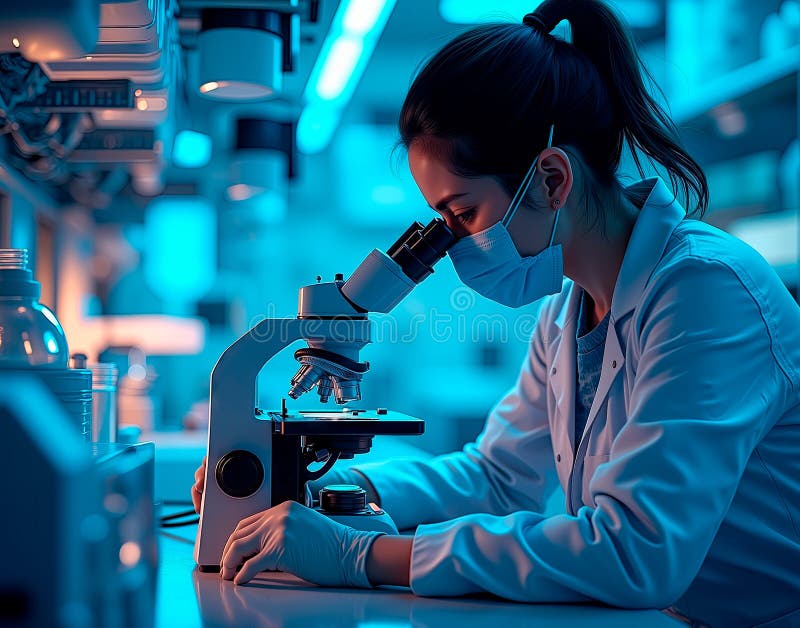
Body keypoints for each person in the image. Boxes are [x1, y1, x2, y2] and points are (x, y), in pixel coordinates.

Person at [191, 0, 800, 624]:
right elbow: (498, 474)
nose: (453, 245)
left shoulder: (706, 291)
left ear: (553, 180)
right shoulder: (570, 307)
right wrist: (333, 496)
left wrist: (364, 554)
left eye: (462, 215)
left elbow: (634, 550)